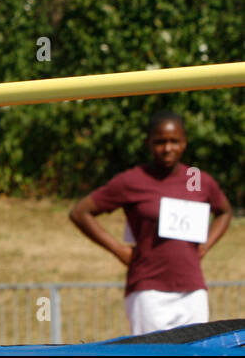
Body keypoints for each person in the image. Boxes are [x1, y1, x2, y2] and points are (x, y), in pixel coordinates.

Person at [69, 110, 231, 335]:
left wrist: (205, 246)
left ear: (184, 142)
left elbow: (224, 212)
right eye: (160, 142)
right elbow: (80, 212)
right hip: (149, 289)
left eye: (174, 141)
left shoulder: (197, 179)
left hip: (192, 289)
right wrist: (120, 251)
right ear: (148, 143)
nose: (167, 148)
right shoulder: (132, 180)